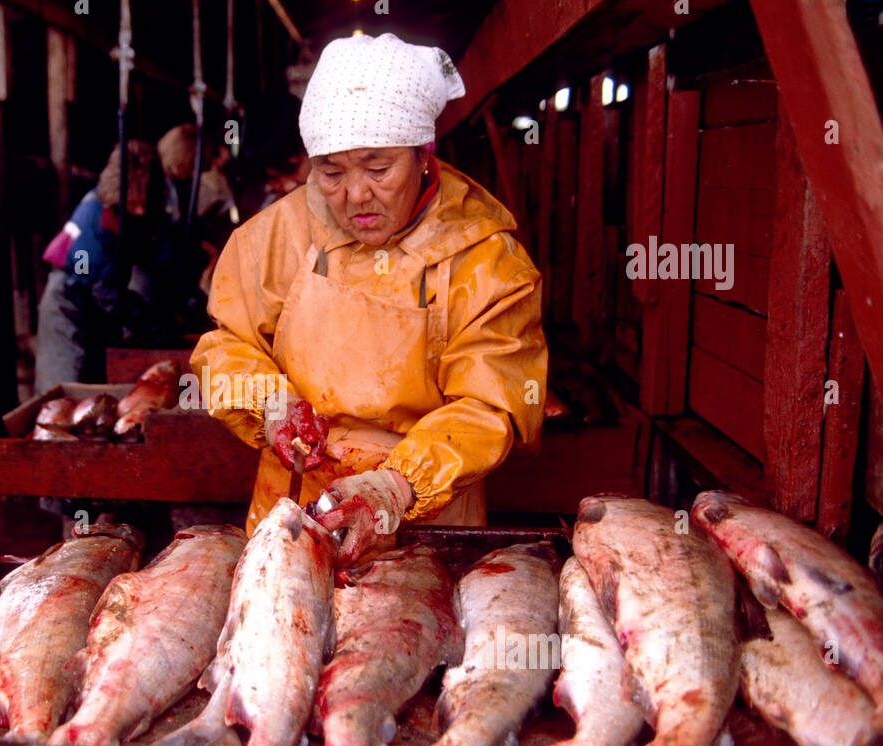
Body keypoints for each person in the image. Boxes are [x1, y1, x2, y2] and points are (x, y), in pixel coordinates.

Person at [190, 33, 548, 566]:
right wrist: (270, 403)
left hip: (425, 523)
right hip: (292, 514)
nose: (354, 194)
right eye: (331, 172)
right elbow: (226, 346)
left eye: (378, 169)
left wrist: (399, 486)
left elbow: (493, 400)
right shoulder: (273, 237)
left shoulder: (486, 258)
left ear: (424, 155)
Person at [35, 140, 178, 391]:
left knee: (98, 388)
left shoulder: (140, 212)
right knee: (62, 390)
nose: (140, 208)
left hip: (97, 298)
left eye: (144, 201)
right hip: (67, 302)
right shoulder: (94, 219)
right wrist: (148, 324)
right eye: (133, 203)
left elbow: (153, 254)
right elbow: (106, 292)